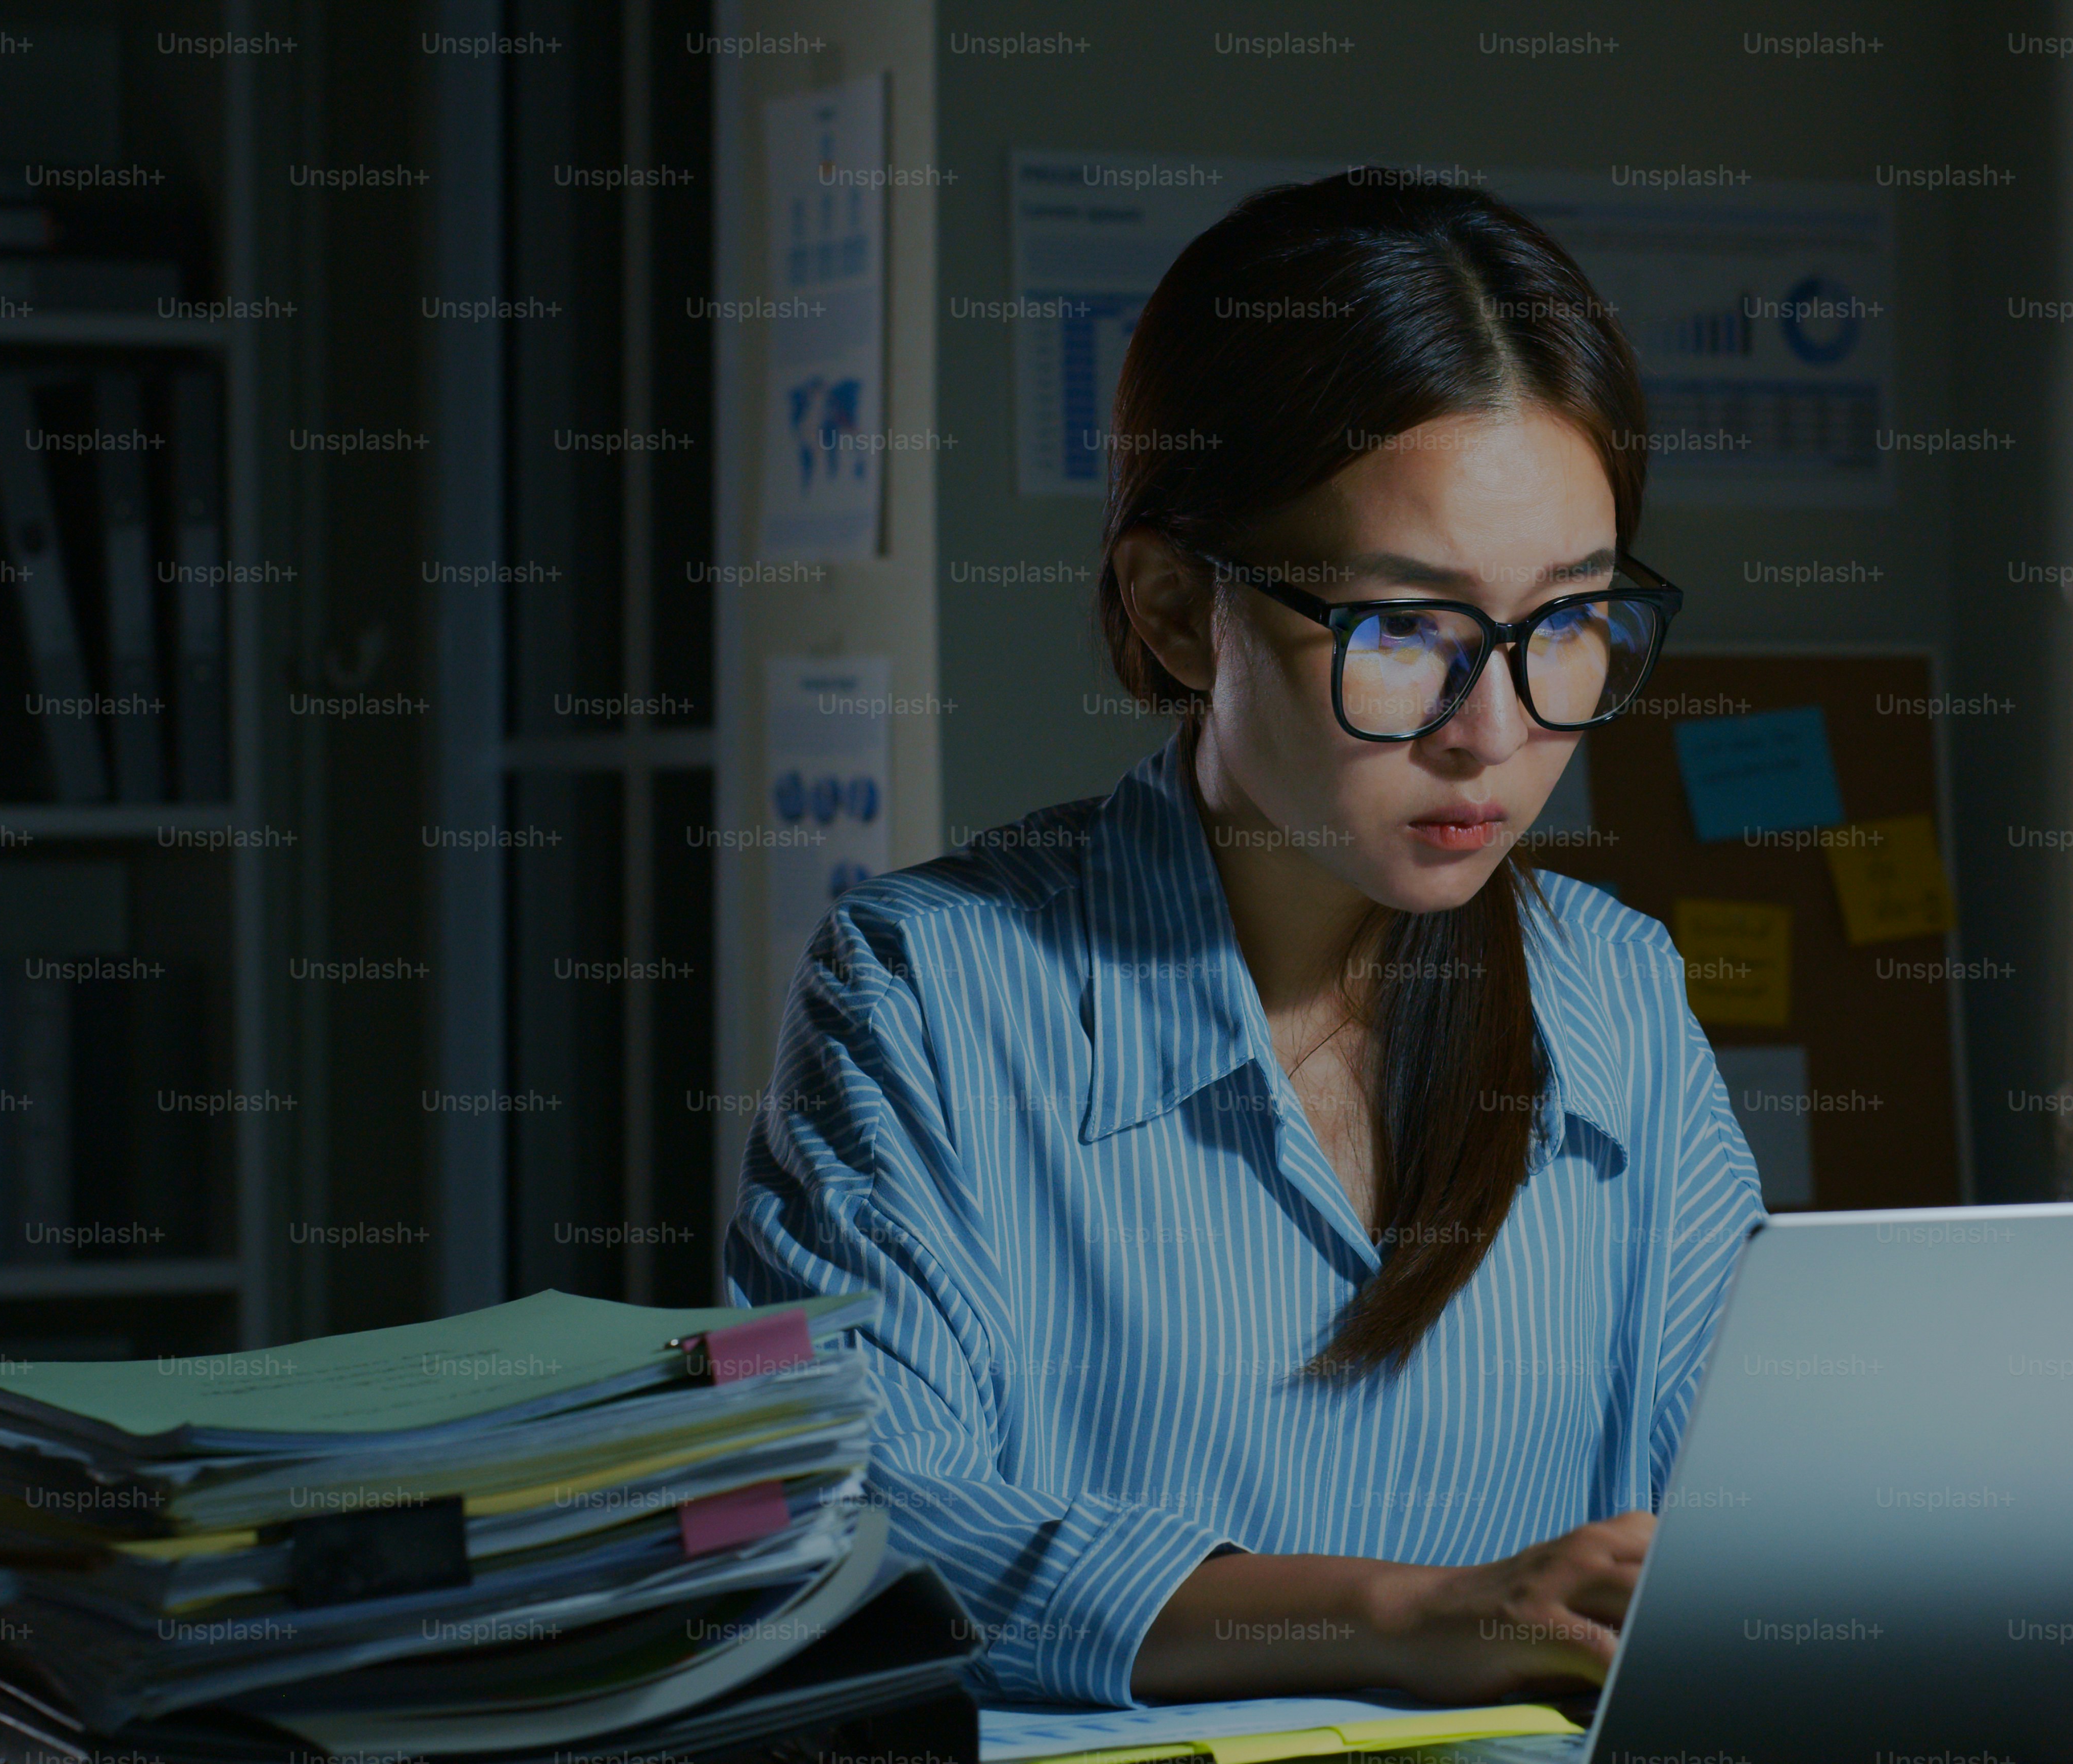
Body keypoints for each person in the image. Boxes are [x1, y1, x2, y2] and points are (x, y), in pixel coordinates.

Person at [725, 170, 1764, 1712]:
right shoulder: (932, 993)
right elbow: (853, 1533)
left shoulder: (1615, 991)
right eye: (1403, 629)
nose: (1497, 731)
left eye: (1568, 623)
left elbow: (1749, 1512)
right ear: (1170, 608)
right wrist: (1400, 1619)